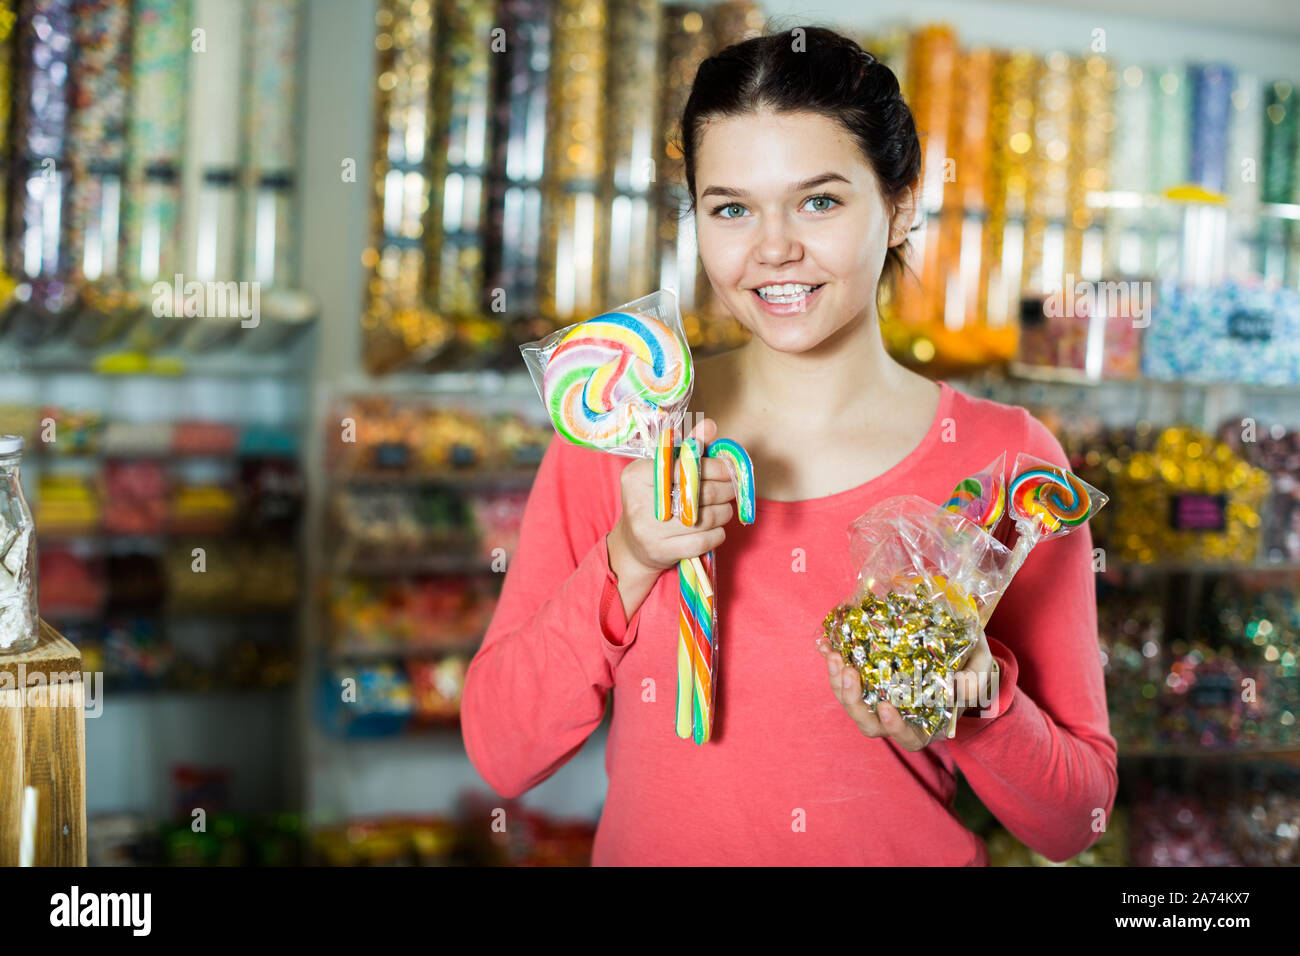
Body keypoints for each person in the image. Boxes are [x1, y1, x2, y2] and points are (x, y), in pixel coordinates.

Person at [462, 25, 1117, 865]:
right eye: (730, 207)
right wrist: (629, 557)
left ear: (902, 202)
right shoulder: (628, 430)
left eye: (820, 201)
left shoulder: (1003, 466)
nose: (773, 249)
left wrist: (975, 700)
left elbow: (1075, 821)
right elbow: (502, 750)